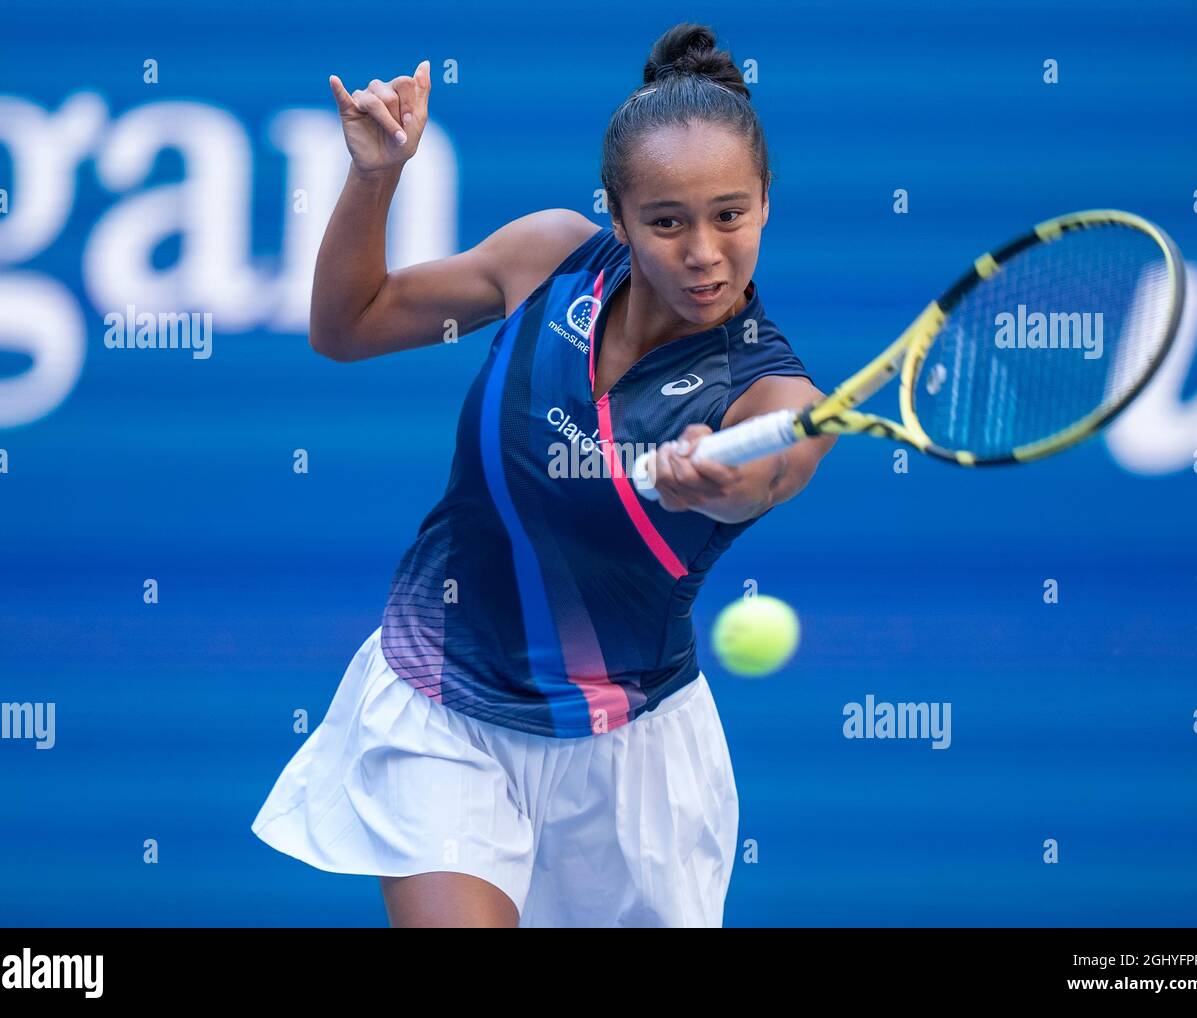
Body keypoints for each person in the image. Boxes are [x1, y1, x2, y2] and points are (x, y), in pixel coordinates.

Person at [251, 21, 837, 927]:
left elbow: (773, 464)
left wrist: (717, 479)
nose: (704, 252)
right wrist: (377, 176)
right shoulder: (549, 262)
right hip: (442, 702)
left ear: (766, 203)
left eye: (731, 214)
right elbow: (349, 324)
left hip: (630, 761)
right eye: (667, 221)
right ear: (616, 214)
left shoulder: (770, 390)